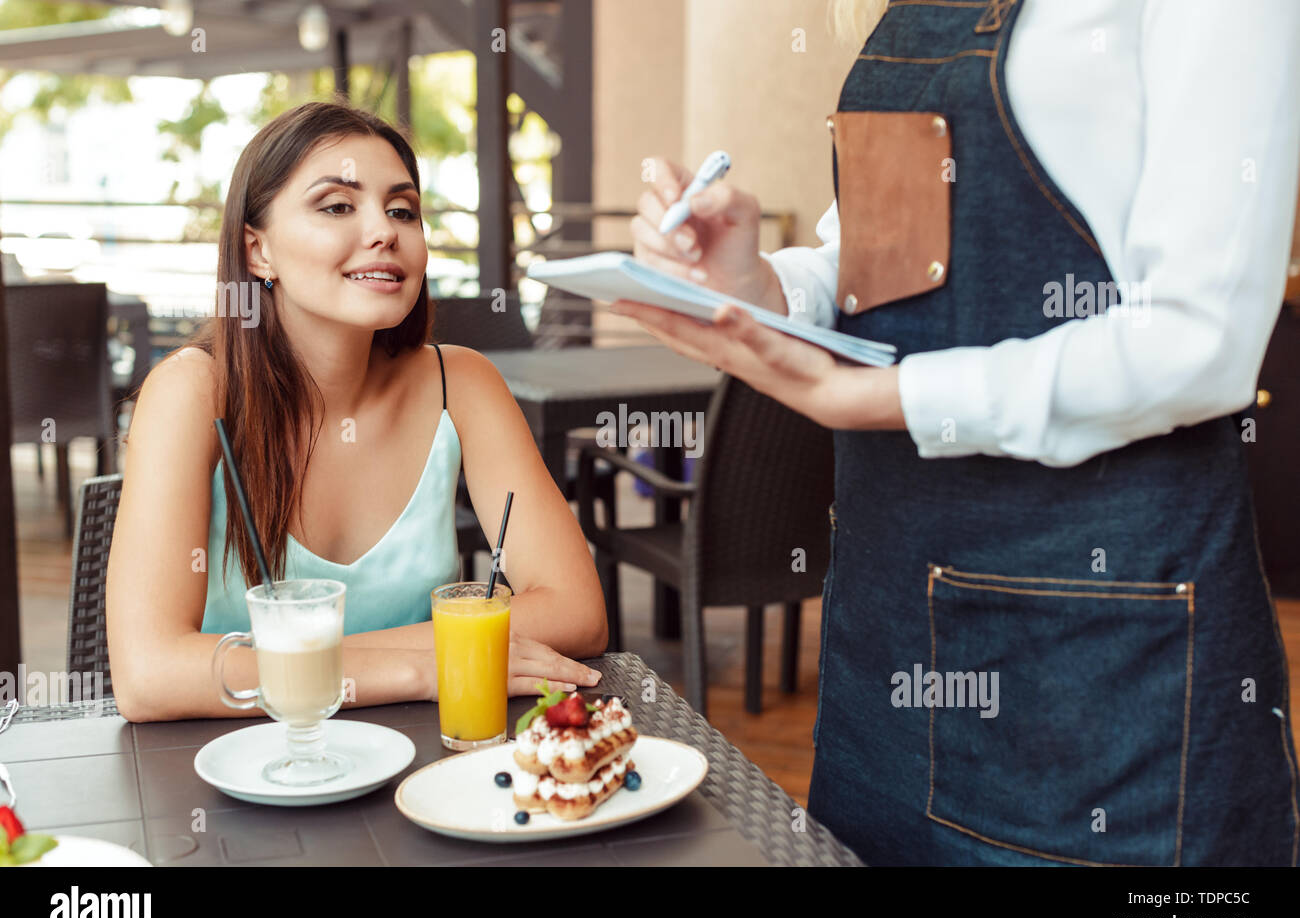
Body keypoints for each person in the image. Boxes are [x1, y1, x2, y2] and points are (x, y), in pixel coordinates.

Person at [613, 0, 1300, 865]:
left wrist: (874, 397)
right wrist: (760, 286)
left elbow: (1199, 342)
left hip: (1101, 671)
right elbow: (878, 258)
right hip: (885, 646)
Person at [106, 101, 606, 723]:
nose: (384, 231)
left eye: (403, 210)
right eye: (338, 206)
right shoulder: (191, 393)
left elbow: (578, 613)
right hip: (239, 777)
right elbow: (149, 676)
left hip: (431, 763)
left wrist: (297, 662)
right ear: (257, 251)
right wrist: (423, 664)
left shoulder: (463, 383)